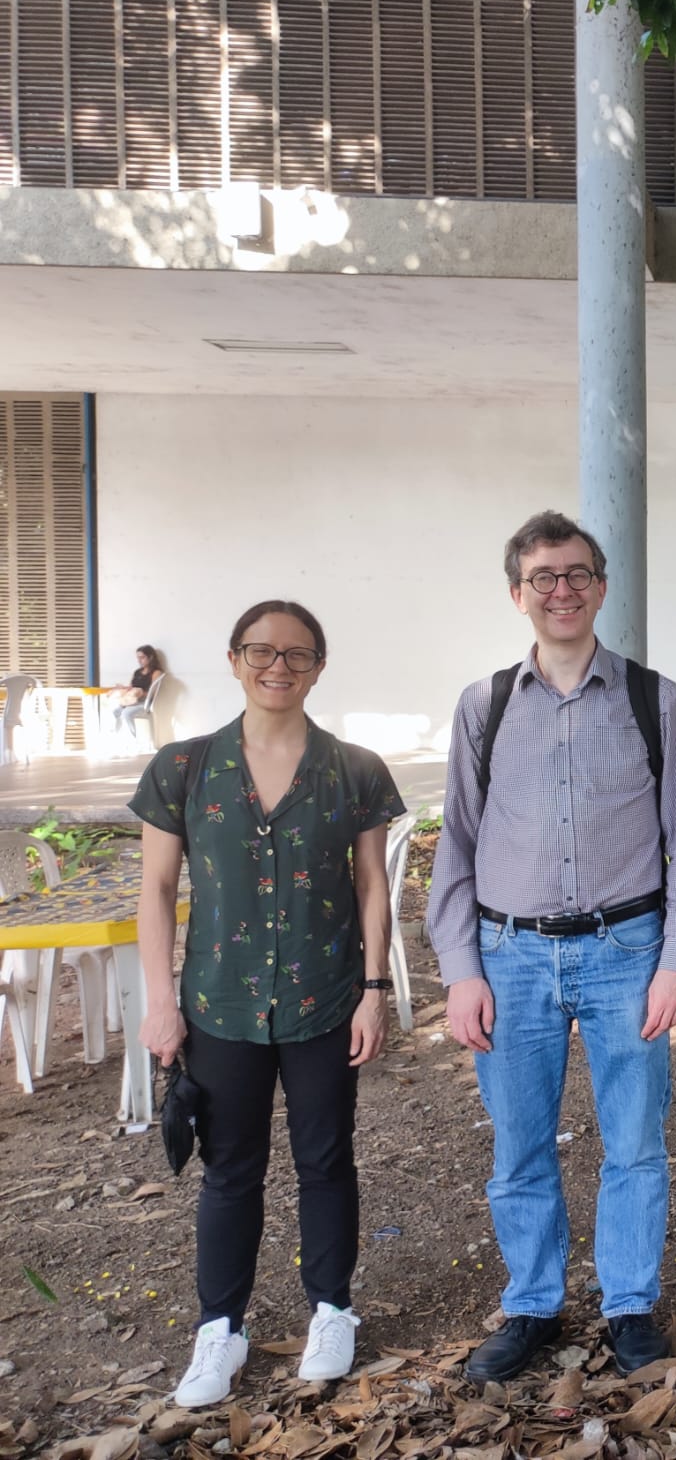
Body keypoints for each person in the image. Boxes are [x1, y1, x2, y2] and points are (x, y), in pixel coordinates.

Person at [427, 510, 676, 1384]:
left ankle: (629, 1305)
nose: (562, 590)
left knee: (635, 1141)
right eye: (543, 577)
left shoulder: (653, 700)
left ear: (601, 586)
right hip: (510, 957)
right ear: (518, 594)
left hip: (627, 951)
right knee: (519, 1145)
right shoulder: (484, 706)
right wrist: (461, 971)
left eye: (577, 574)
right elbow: (456, 846)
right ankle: (533, 1306)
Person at [133, 601, 406, 1408]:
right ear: (234, 659)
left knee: (326, 1159)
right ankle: (220, 1329)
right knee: (229, 1170)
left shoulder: (355, 770)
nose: (278, 666)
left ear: (318, 666)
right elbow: (155, 890)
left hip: (327, 998)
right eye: (261, 651)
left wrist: (375, 991)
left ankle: (332, 1310)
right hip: (220, 1002)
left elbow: (372, 885)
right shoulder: (183, 769)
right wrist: (160, 1003)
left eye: (297, 654)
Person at [112, 644, 166, 743]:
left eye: (142, 657)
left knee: (126, 713)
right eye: (138, 658)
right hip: (131, 701)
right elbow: (131, 687)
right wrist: (125, 689)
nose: (139, 660)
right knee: (115, 711)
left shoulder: (156, 672)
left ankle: (132, 740)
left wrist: (139, 693)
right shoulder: (137, 672)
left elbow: (152, 693)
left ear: (150, 657)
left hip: (145, 703)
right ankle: (117, 738)